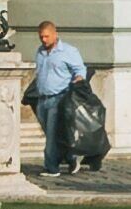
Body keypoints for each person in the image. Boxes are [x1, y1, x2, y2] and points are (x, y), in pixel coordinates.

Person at [26, 21, 88, 177]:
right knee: (51, 133)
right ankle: (71, 157)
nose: (44, 40)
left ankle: (51, 167)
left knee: (53, 134)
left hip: (59, 97)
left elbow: (80, 69)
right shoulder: (40, 52)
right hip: (42, 98)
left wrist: (79, 77)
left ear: (55, 34)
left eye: (47, 36)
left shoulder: (68, 51)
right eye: (41, 37)